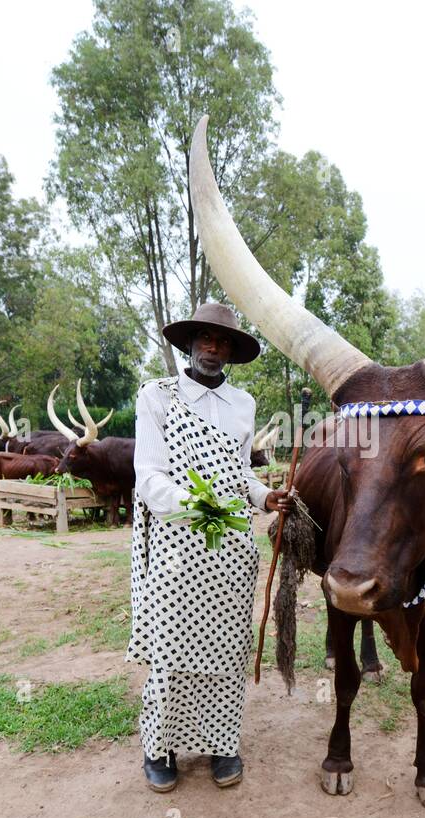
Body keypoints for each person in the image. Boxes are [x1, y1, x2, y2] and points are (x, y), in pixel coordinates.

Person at [127, 302, 292, 792]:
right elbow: (149, 475)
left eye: (222, 341)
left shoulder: (243, 405)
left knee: (226, 651)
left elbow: (238, 472)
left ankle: (223, 745)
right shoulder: (156, 396)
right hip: (177, 542)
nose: (212, 348)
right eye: (204, 338)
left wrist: (264, 495)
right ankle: (160, 749)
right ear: (189, 343)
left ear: (232, 352)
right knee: (173, 648)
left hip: (231, 550)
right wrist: (203, 510)